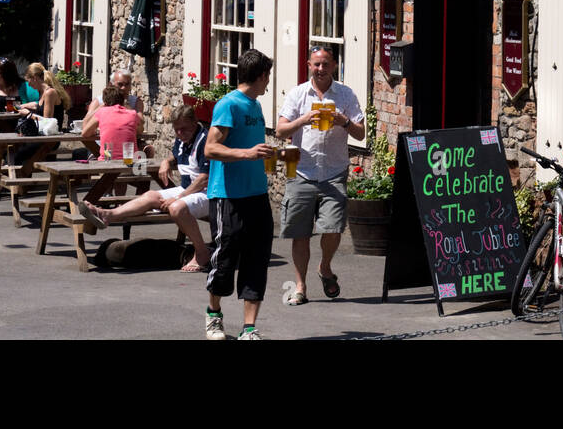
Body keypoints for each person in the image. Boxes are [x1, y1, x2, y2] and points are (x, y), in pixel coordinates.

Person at [275, 45, 365, 303]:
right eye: (316, 64)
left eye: (326, 64)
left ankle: (325, 266)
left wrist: (344, 121)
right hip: (302, 170)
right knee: (300, 232)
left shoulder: (345, 95)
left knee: (333, 227)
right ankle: (301, 286)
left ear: (334, 65)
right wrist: (303, 119)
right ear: (308, 65)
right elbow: (281, 130)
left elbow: (361, 133)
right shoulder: (297, 94)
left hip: (334, 171)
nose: (321, 69)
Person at [82, 105, 212, 271]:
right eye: (176, 130)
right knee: (150, 195)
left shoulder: (205, 140)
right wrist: (167, 161)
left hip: (208, 193)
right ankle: (107, 215)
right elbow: (176, 155)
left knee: (177, 208)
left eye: (184, 129)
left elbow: (204, 178)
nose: (180, 133)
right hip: (189, 189)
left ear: (195, 122)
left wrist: (180, 197)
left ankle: (201, 253)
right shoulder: (183, 137)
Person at [203, 49, 275, 341]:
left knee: (257, 260)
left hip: (257, 193)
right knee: (225, 260)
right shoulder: (228, 105)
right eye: (267, 76)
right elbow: (211, 148)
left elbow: (252, 148)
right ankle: (213, 315)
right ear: (259, 76)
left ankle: (249, 328)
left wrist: (269, 154)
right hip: (227, 195)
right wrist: (247, 153)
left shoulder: (256, 106)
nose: (269, 82)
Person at [0, 59, 42, 201]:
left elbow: (39, 102)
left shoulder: (23, 87)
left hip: (22, 132)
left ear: (8, 75)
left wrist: (26, 106)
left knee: (13, 147)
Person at [80, 83, 146, 160]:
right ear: (123, 100)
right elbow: (140, 131)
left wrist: (95, 131)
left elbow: (85, 133)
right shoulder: (132, 113)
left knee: (105, 155)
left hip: (108, 159)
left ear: (105, 102)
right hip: (130, 160)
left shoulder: (101, 112)